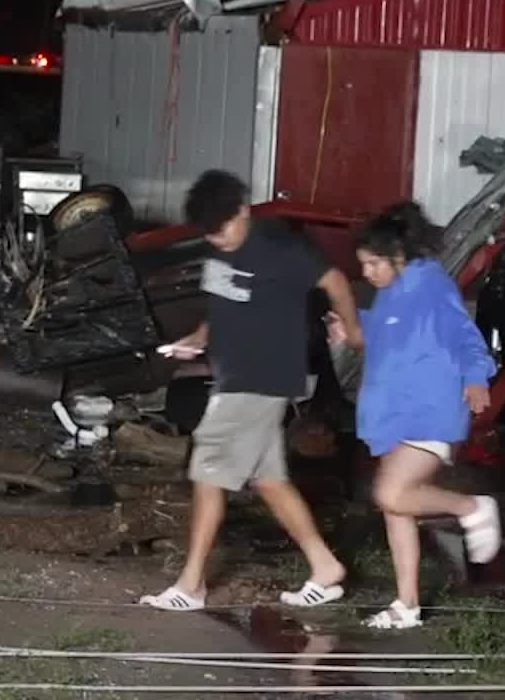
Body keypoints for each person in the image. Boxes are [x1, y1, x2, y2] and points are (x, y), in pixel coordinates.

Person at [139, 170, 364, 612]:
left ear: (242, 210)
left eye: (223, 230)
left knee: (208, 473)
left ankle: (191, 585)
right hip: (236, 376)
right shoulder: (220, 248)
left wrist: (353, 330)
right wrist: (198, 338)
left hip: (261, 377)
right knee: (269, 481)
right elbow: (221, 305)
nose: (218, 240)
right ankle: (325, 567)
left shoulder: (279, 247)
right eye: (210, 234)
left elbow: (335, 281)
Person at [336, 201, 501, 630]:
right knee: (397, 510)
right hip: (395, 414)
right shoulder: (392, 292)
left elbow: (466, 336)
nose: (367, 273)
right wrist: (353, 329)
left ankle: (471, 508)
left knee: (390, 494)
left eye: (373, 263)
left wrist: (476, 378)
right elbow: (387, 334)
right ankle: (406, 606)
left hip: (428, 410)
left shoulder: (431, 285)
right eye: (363, 265)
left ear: (397, 255)